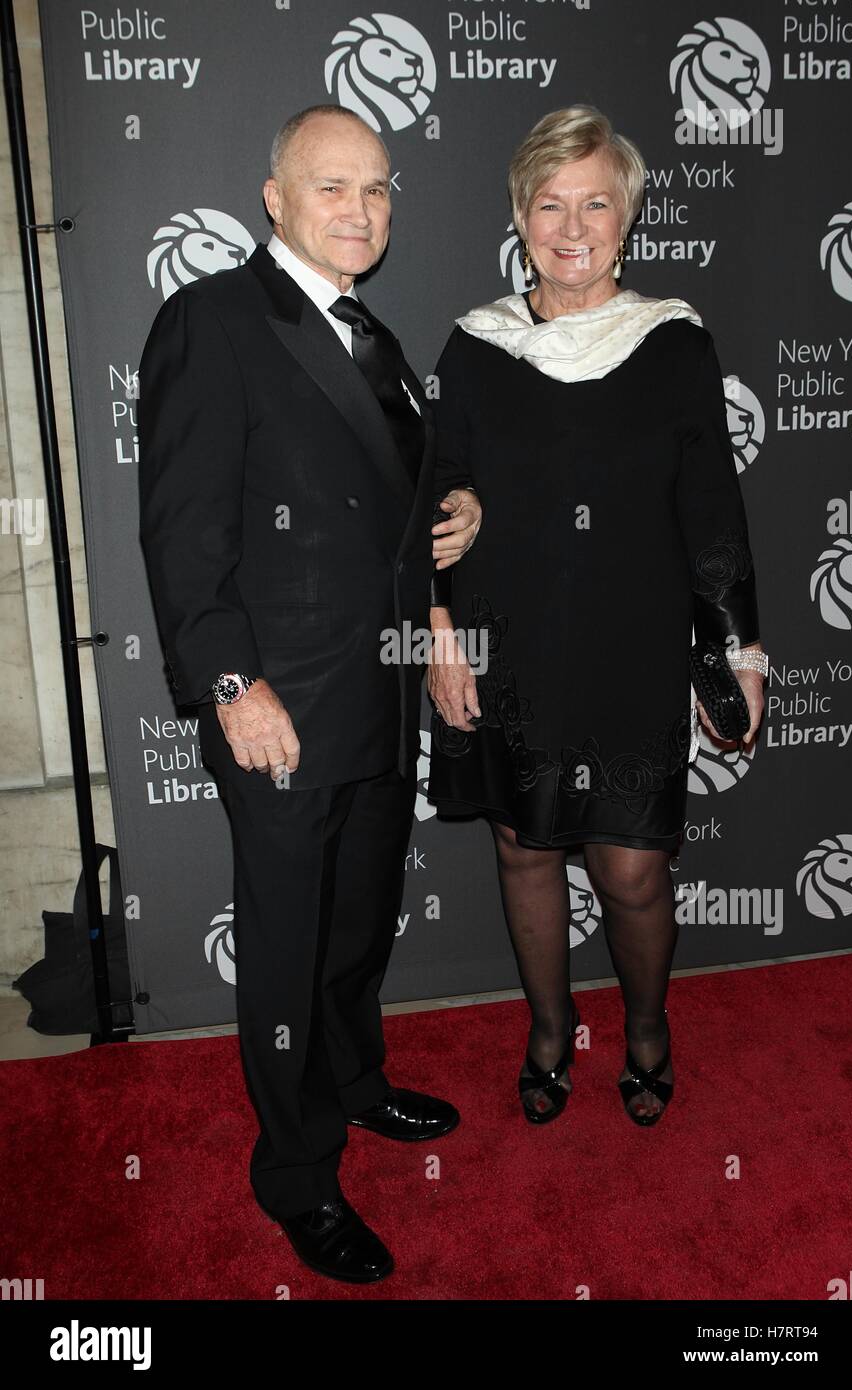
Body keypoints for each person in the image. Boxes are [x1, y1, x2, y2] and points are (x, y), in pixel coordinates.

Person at [138, 105, 481, 1283]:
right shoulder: (214, 322)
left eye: (378, 188)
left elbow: (398, 510)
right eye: (332, 186)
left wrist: (458, 533)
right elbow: (185, 539)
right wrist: (234, 685)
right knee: (284, 948)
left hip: (379, 700)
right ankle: (295, 1171)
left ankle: (355, 1081)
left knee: (355, 923)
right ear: (273, 196)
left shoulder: (373, 336)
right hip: (277, 706)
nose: (361, 210)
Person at [427, 105, 767, 1130]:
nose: (571, 225)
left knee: (630, 870)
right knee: (524, 853)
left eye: (595, 202)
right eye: (548, 203)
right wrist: (440, 626)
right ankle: (545, 1031)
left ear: (627, 217)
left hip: (628, 649)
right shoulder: (474, 345)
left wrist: (737, 644)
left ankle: (648, 1031)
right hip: (512, 643)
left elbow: (710, 511)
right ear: (519, 216)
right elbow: (436, 493)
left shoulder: (671, 342)